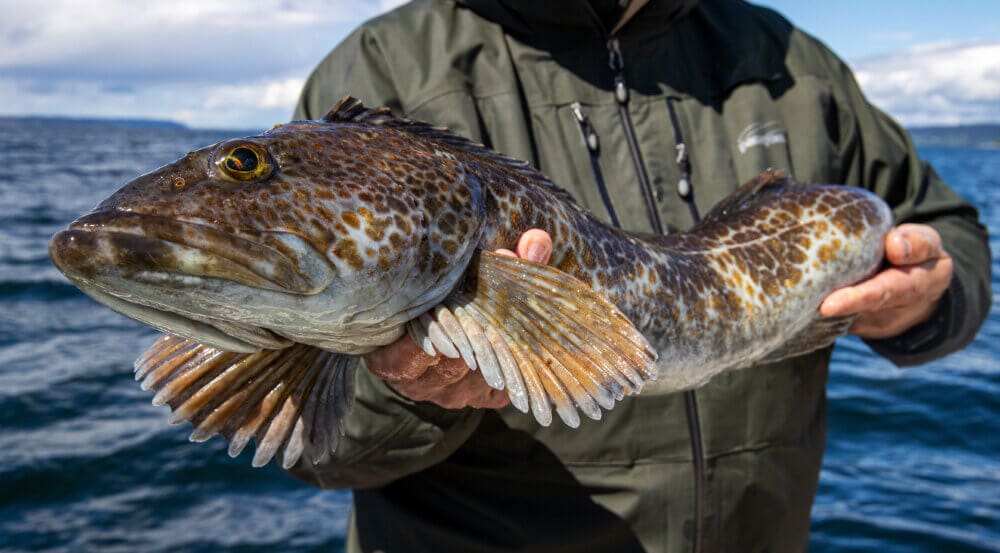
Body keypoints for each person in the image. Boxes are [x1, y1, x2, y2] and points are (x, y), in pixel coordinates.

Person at [289, 1, 991, 551]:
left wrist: (926, 303)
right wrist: (413, 387)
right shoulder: (385, 71)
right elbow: (309, 436)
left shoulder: (792, 63)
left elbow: (947, 228)